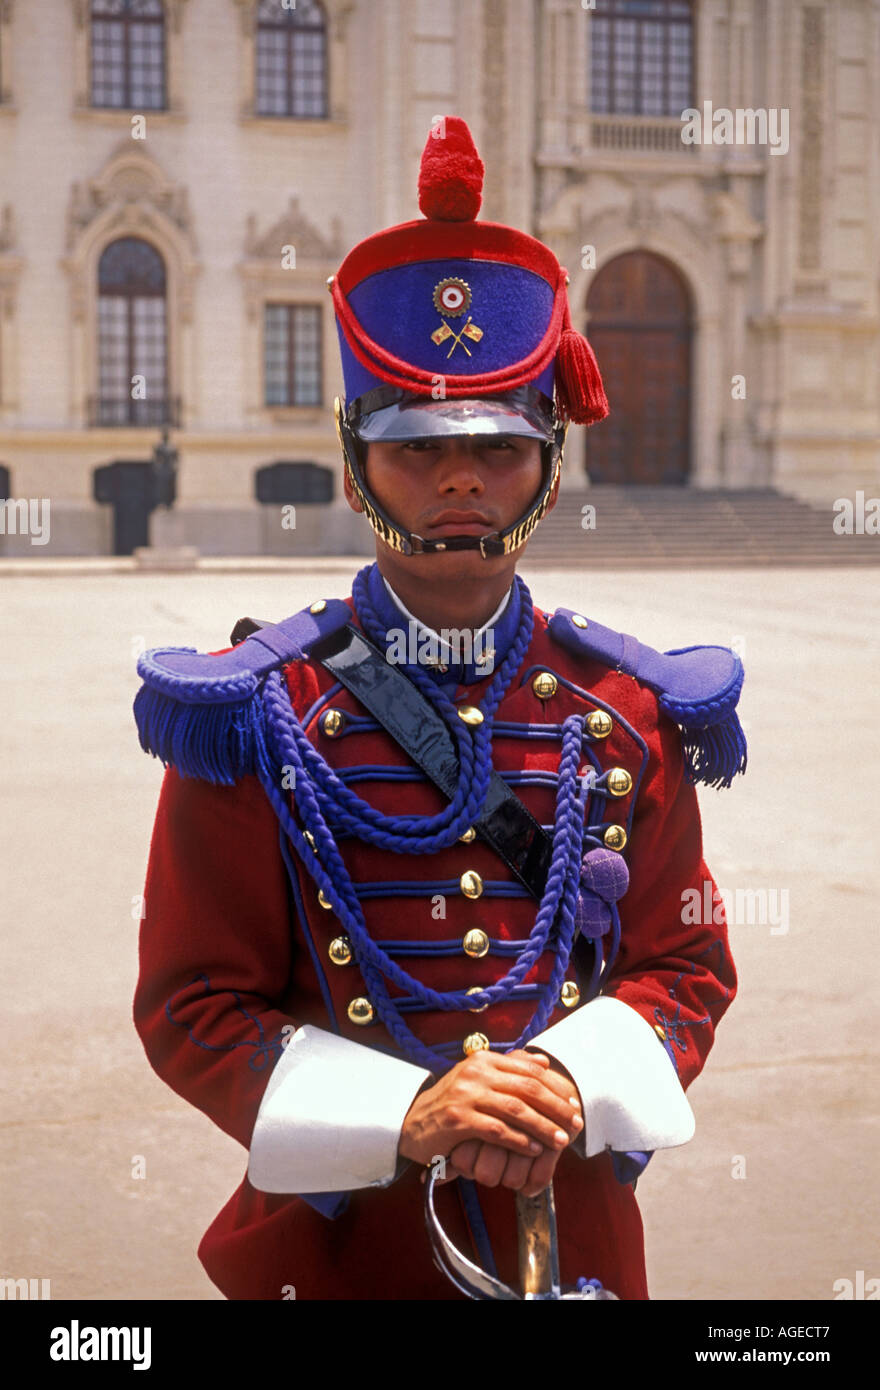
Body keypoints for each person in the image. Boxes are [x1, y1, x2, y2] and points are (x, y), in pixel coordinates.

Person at [132, 116, 746, 1301]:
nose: (459, 475)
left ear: (548, 463)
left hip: (566, 1229)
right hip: (347, 1245)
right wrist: (407, 1109)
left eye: (495, 444)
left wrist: (566, 1085)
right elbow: (190, 1003)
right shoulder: (261, 710)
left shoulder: (625, 710)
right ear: (355, 458)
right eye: (416, 445)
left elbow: (685, 963)